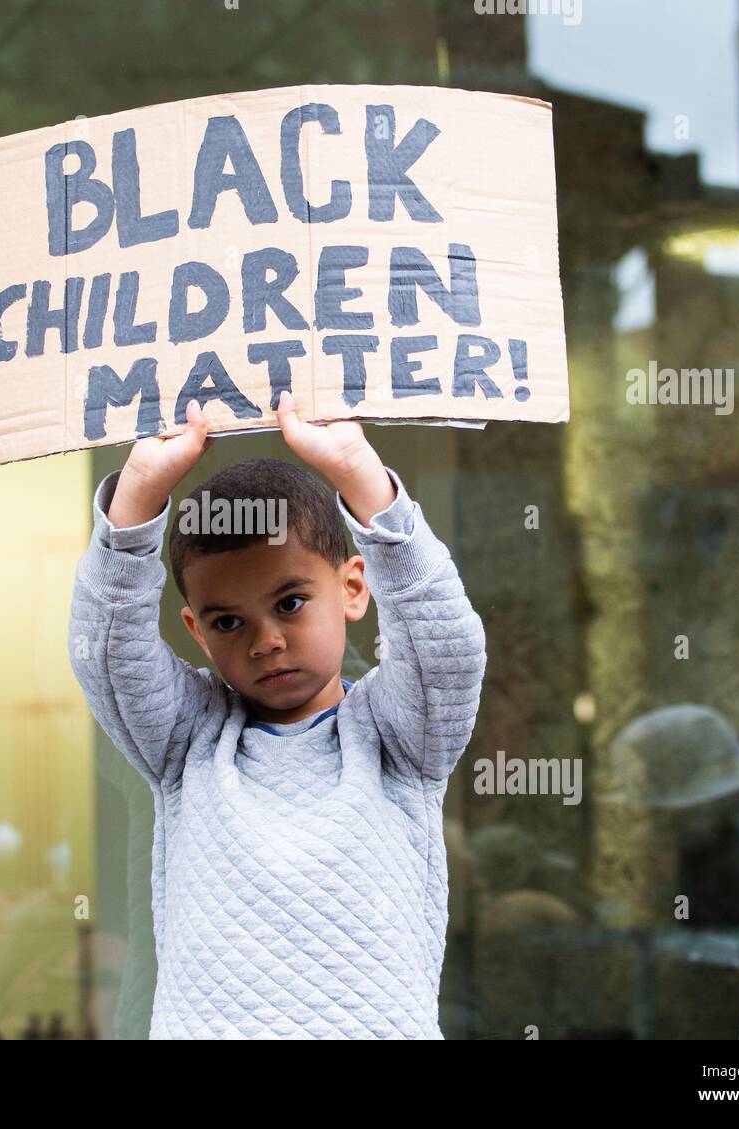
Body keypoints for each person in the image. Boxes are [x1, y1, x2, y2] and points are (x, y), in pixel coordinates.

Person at [67, 392, 487, 1039]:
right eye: (228, 621)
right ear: (197, 631)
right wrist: (137, 500)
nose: (264, 640)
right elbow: (106, 653)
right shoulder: (189, 738)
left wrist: (359, 473)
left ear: (352, 587)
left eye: (289, 603)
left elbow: (448, 649)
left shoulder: (399, 736)